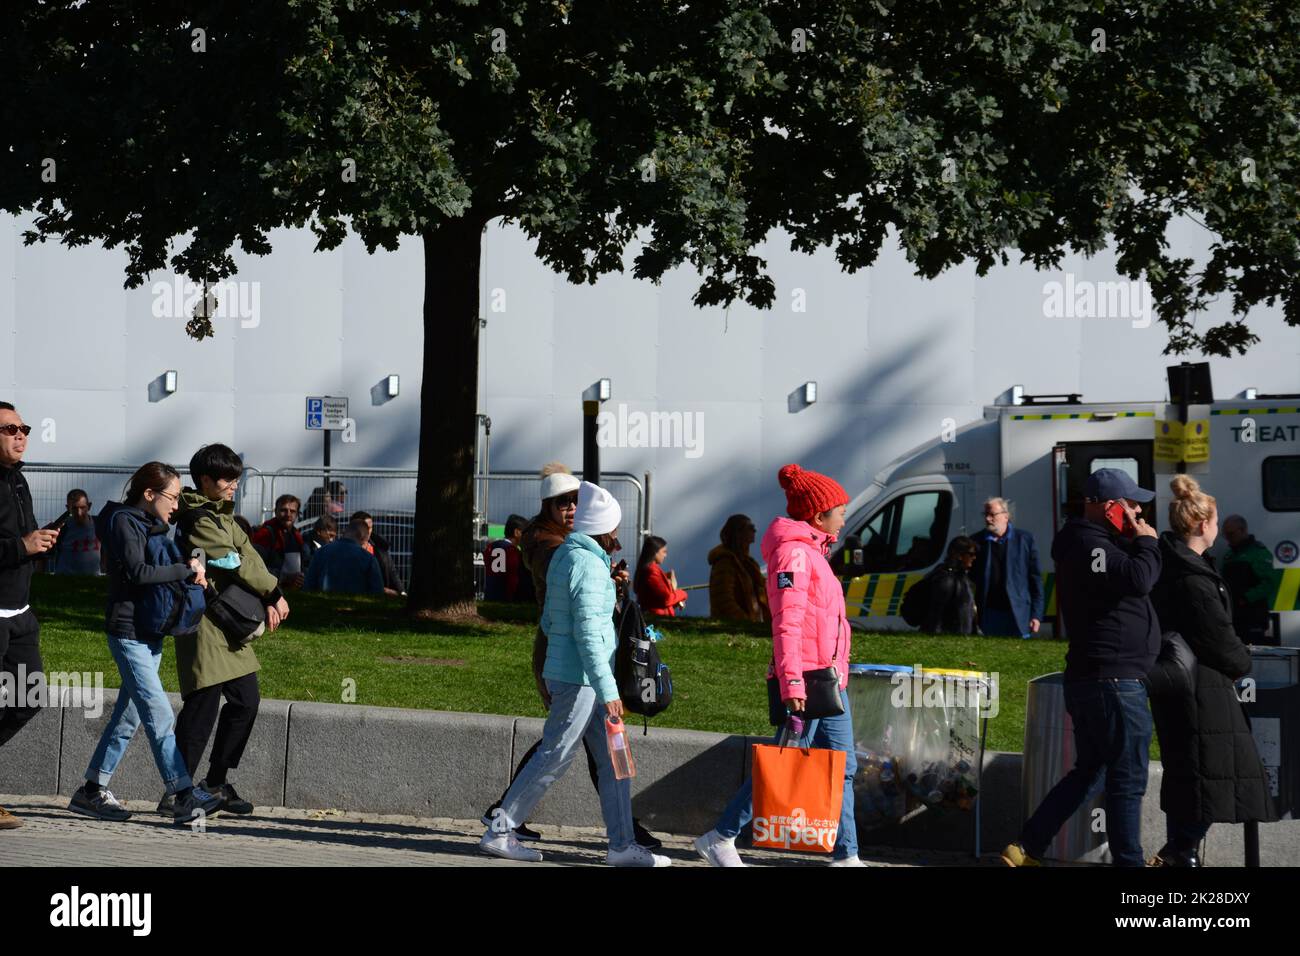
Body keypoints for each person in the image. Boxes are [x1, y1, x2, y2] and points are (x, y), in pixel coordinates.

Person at [478, 481, 671, 867]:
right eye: (615, 527)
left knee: (615, 758)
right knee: (557, 754)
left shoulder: (572, 556)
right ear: (606, 529)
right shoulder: (586, 564)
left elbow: (554, 621)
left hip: (580, 678)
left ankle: (621, 844)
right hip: (581, 681)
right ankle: (501, 828)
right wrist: (608, 688)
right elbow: (588, 634)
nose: (618, 534)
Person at [695, 463, 864, 867]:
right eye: (839, 508)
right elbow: (786, 625)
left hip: (829, 678)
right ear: (817, 515)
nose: (844, 514)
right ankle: (721, 836)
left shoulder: (813, 553)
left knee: (843, 766)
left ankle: (847, 855)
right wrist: (793, 686)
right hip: (809, 679)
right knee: (785, 762)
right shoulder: (795, 556)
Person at [1002, 468, 1160, 867]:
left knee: (1091, 770)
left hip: (1096, 677)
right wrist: (1147, 544)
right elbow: (1140, 579)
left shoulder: (1090, 541)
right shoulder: (1091, 544)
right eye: (1132, 503)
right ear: (1110, 507)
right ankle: (1130, 863)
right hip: (1114, 679)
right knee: (1128, 778)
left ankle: (1026, 847)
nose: (1139, 511)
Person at [67, 463, 225, 825]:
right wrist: (185, 570)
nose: (176, 505)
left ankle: (91, 790)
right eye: (172, 497)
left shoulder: (150, 524)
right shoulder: (124, 520)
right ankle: (182, 794)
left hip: (148, 632)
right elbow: (138, 572)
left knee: (129, 715)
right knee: (159, 713)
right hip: (127, 632)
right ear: (149, 494)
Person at [1147, 477, 1277, 866]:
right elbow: (1217, 636)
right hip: (1203, 689)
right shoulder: (1193, 577)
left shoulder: (1177, 565)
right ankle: (1178, 852)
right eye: (1216, 520)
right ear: (1203, 525)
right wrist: (1243, 662)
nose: (1218, 527)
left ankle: (1179, 853)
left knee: (1192, 774)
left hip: (1184, 682)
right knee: (1213, 772)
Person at [168, 444, 290, 817]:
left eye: (237, 478)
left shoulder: (222, 515)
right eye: (227, 479)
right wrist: (274, 591)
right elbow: (234, 561)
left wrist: (270, 594)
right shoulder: (198, 518)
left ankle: (216, 783)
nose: (235, 485)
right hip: (204, 623)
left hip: (228, 624)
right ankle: (178, 791)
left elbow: (248, 556)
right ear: (205, 480)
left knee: (246, 702)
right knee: (201, 709)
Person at [0, 402, 59, 830]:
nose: (20, 435)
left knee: (28, 699)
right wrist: (22, 546)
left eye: (23, 428)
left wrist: (39, 542)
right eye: (9, 429)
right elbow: (14, 543)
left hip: (20, 613)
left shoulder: (18, 480)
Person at [971, 497, 1043, 638]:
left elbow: (1035, 579)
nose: (988, 518)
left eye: (992, 514)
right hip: (989, 613)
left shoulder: (1024, 540)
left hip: (1019, 614)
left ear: (1006, 516)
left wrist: (1036, 615)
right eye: (985, 514)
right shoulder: (977, 542)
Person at [1220, 515, 1278, 644]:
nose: (1228, 539)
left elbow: (1268, 584)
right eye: (1225, 535)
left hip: (1253, 616)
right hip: (1233, 618)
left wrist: (1245, 598)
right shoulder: (1229, 556)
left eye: (1231, 534)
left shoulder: (1258, 554)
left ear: (1243, 530)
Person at [707, 514, 770, 623]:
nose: (755, 530)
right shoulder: (725, 562)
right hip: (733, 629)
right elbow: (723, 599)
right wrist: (745, 621)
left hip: (753, 625)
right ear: (738, 533)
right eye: (750, 527)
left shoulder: (748, 563)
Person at [303, 515, 384, 594]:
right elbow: (377, 593)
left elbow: (308, 587)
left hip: (324, 605)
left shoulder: (320, 552)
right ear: (364, 538)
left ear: (344, 532)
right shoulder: (369, 559)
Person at [916, 536, 978, 635]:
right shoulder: (945, 580)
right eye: (971, 554)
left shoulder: (964, 578)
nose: (974, 557)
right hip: (948, 639)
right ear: (958, 555)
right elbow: (936, 616)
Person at [250, 494, 306, 589]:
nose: (288, 514)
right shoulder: (265, 534)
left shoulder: (297, 535)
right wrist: (284, 578)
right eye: (283, 510)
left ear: (297, 514)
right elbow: (255, 567)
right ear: (275, 511)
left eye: (292, 511)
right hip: (272, 590)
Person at [48, 489, 103, 576]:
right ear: (68, 508)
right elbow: (45, 554)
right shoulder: (62, 528)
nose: (79, 513)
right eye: (74, 508)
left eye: (82, 507)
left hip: (92, 581)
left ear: (89, 506)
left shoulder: (99, 524)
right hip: (66, 581)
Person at [349, 511, 403, 596]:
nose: (368, 531)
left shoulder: (379, 548)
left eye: (370, 528)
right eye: (365, 527)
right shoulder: (346, 550)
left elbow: (392, 573)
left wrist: (402, 592)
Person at [633, 535, 688, 617]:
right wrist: (683, 594)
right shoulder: (652, 570)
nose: (665, 555)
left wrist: (667, 581)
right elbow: (666, 599)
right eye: (664, 552)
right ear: (654, 552)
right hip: (656, 619)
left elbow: (658, 600)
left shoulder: (648, 569)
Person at [483, 514, 529, 602]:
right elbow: (513, 578)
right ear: (517, 532)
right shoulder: (513, 551)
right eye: (525, 533)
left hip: (490, 594)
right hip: (506, 596)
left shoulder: (490, 547)